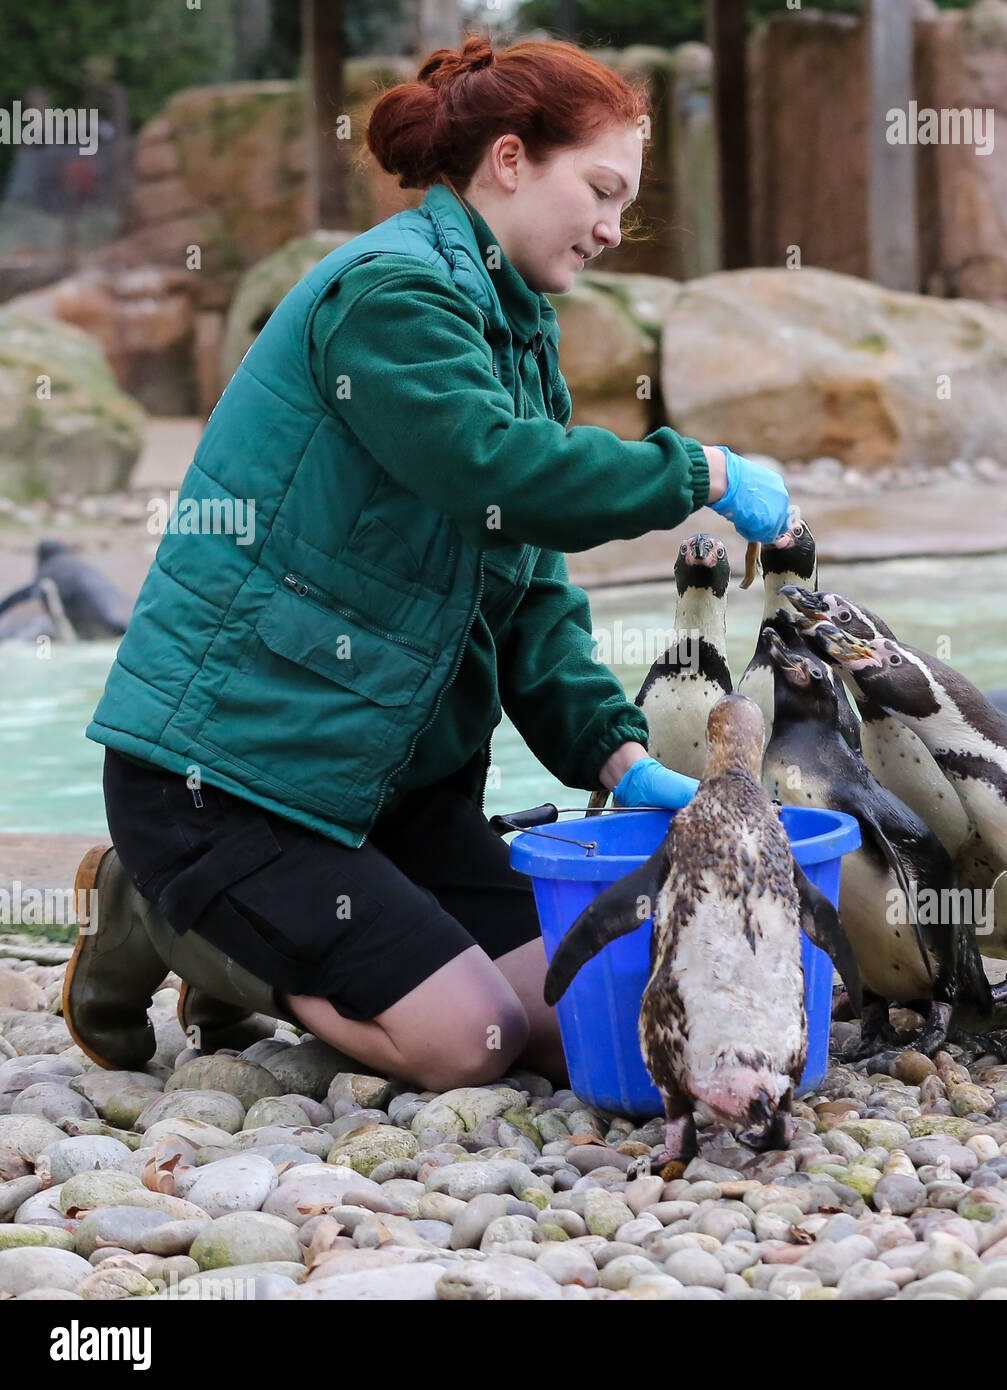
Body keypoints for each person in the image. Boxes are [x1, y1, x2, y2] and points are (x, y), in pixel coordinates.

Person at [66, 35, 795, 1092]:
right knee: (474, 1043)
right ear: (509, 160)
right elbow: (496, 468)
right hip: (232, 784)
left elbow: (533, 585)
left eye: (625, 203)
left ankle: (276, 931)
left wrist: (615, 757)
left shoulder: (517, 332)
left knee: (590, 1008)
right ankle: (156, 909)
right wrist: (701, 471)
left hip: (385, 798)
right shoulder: (390, 297)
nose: (611, 228)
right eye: (599, 189)